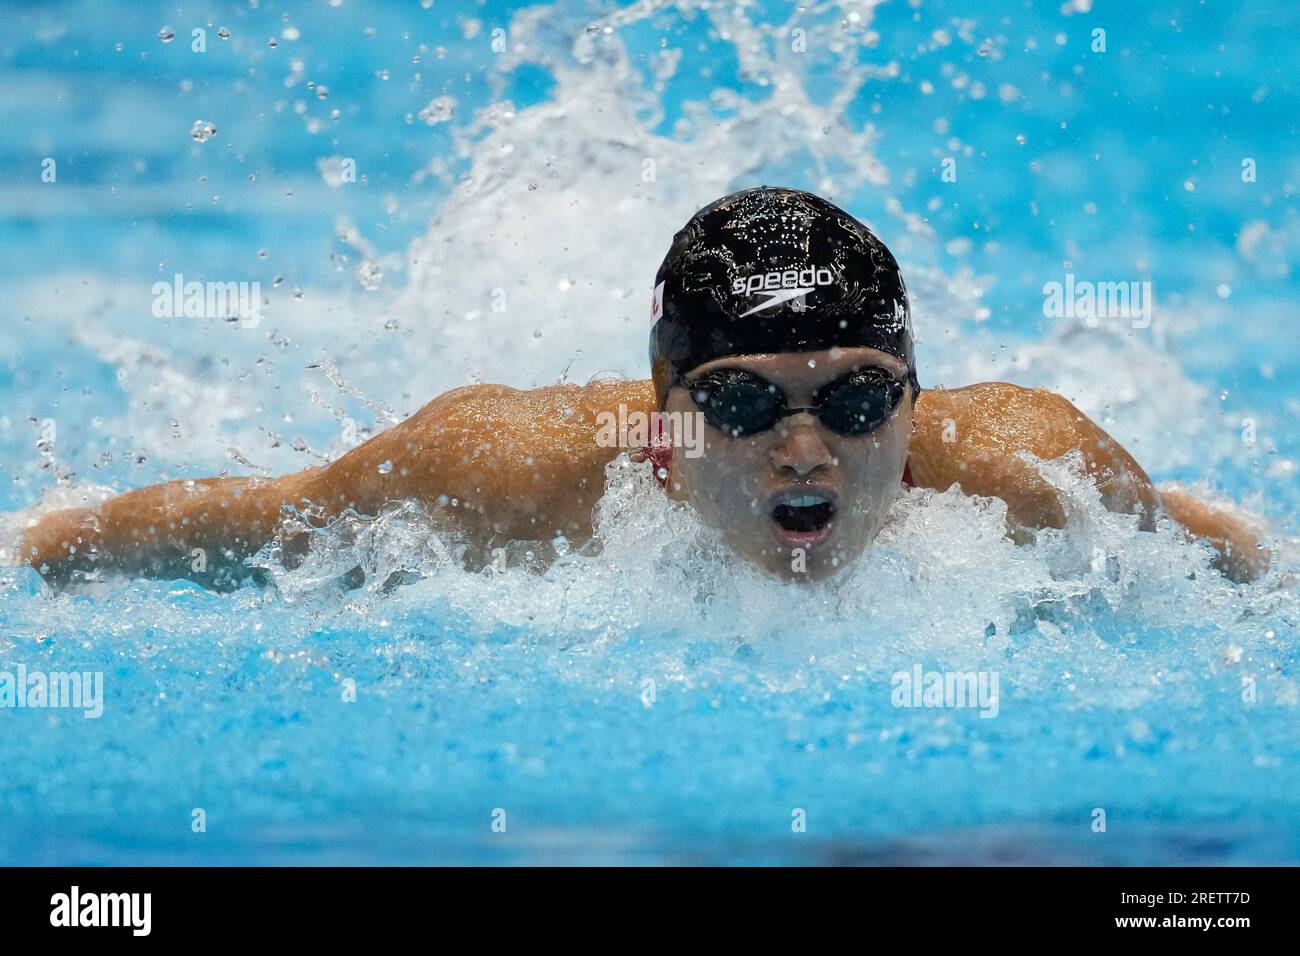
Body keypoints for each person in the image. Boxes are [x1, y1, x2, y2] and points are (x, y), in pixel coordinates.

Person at [11, 187, 1269, 588]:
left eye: (851, 401)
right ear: (663, 403)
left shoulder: (1030, 473)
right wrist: (29, 550)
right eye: (739, 402)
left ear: (913, 396)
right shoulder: (496, 476)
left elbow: (1205, 554)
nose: (801, 450)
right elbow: (259, 521)